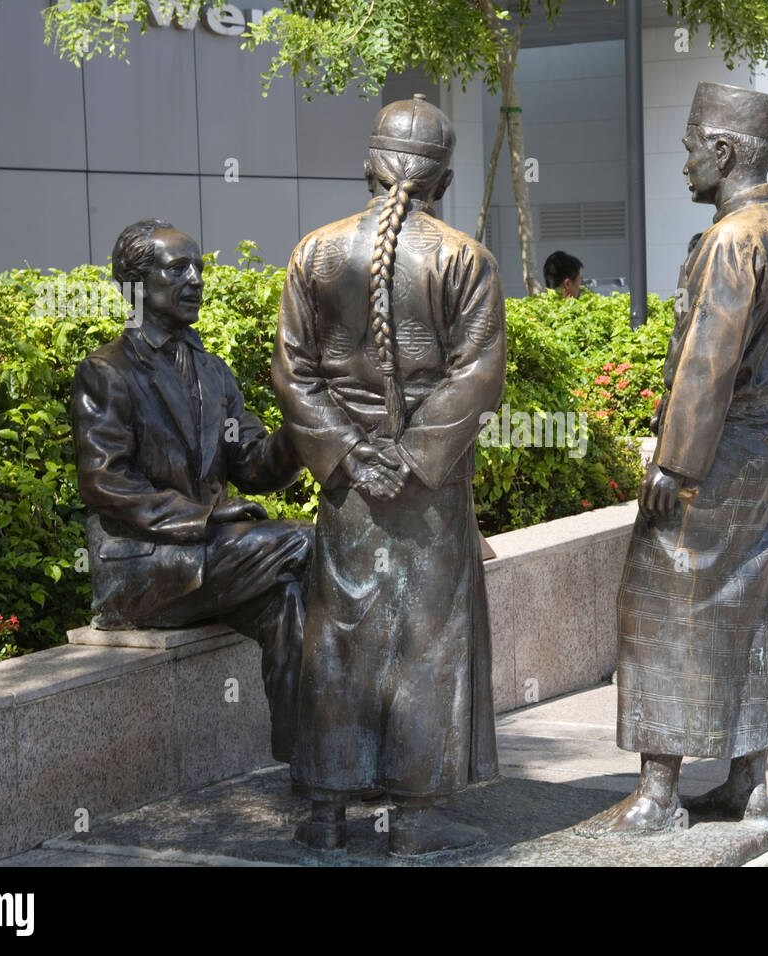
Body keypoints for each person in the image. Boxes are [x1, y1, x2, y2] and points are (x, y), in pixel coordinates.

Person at [578, 81, 768, 835]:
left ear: (723, 151)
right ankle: (749, 782)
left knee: (660, 604)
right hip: (754, 450)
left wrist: (676, 465)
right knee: (749, 608)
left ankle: (660, 796)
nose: (685, 162)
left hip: (711, 459)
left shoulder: (735, 239)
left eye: (692, 148)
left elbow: (706, 362)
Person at [272, 95, 506, 857]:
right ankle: (414, 817)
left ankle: (326, 816)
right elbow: (478, 376)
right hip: (427, 491)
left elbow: (293, 375)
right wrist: (410, 459)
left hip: (348, 489)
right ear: (441, 178)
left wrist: (346, 452)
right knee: (426, 641)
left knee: (336, 639)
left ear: (370, 165)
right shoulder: (464, 258)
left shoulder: (313, 252)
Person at [72, 219, 313, 765]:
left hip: (206, 564)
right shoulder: (106, 372)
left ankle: (311, 764)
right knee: (306, 543)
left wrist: (304, 428)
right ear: (136, 282)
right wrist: (205, 519)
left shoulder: (213, 372)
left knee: (288, 601)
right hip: (143, 571)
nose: (195, 279)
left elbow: (251, 463)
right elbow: (105, 482)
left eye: (200, 266)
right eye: (177, 268)